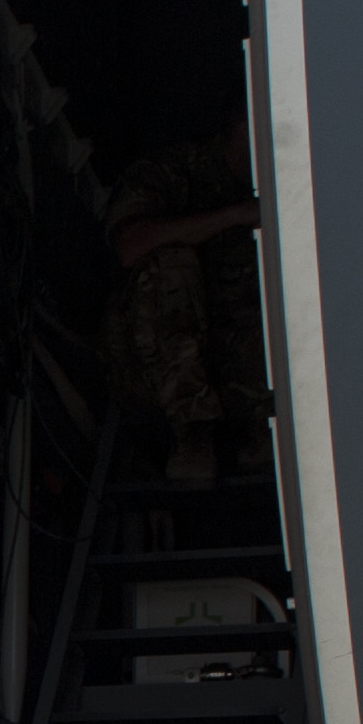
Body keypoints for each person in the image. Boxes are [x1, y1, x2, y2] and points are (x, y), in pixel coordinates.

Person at [104, 108, 271, 485]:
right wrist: (233, 216)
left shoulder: (276, 189)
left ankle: (262, 435)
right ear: (242, 128)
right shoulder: (174, 171)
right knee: (171, 263)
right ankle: (193, 435)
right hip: (146, 375)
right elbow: (130, 245)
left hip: (233, 383)